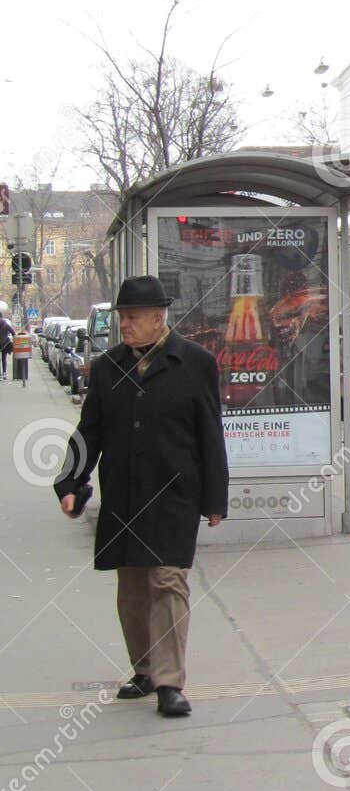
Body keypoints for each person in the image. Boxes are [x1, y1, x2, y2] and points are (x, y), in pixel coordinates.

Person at [53, 276, 229, 718]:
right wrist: (70, 484)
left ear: (158, 318)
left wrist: (214, 498)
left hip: (174, 495)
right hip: (125, 496)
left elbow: (210, 434)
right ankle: (145, 670)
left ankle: (171, 683)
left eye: (132, 318)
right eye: (122, 318)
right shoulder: (108, 367)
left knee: (167, 582)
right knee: (131, 588)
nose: (125, 325)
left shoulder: (195, 363)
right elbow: (88, 431)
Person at [0, 305, 14, 381]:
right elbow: (13, 333)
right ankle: (4, 374)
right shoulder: (6, 324)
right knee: (3, 358)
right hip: (5, 344)